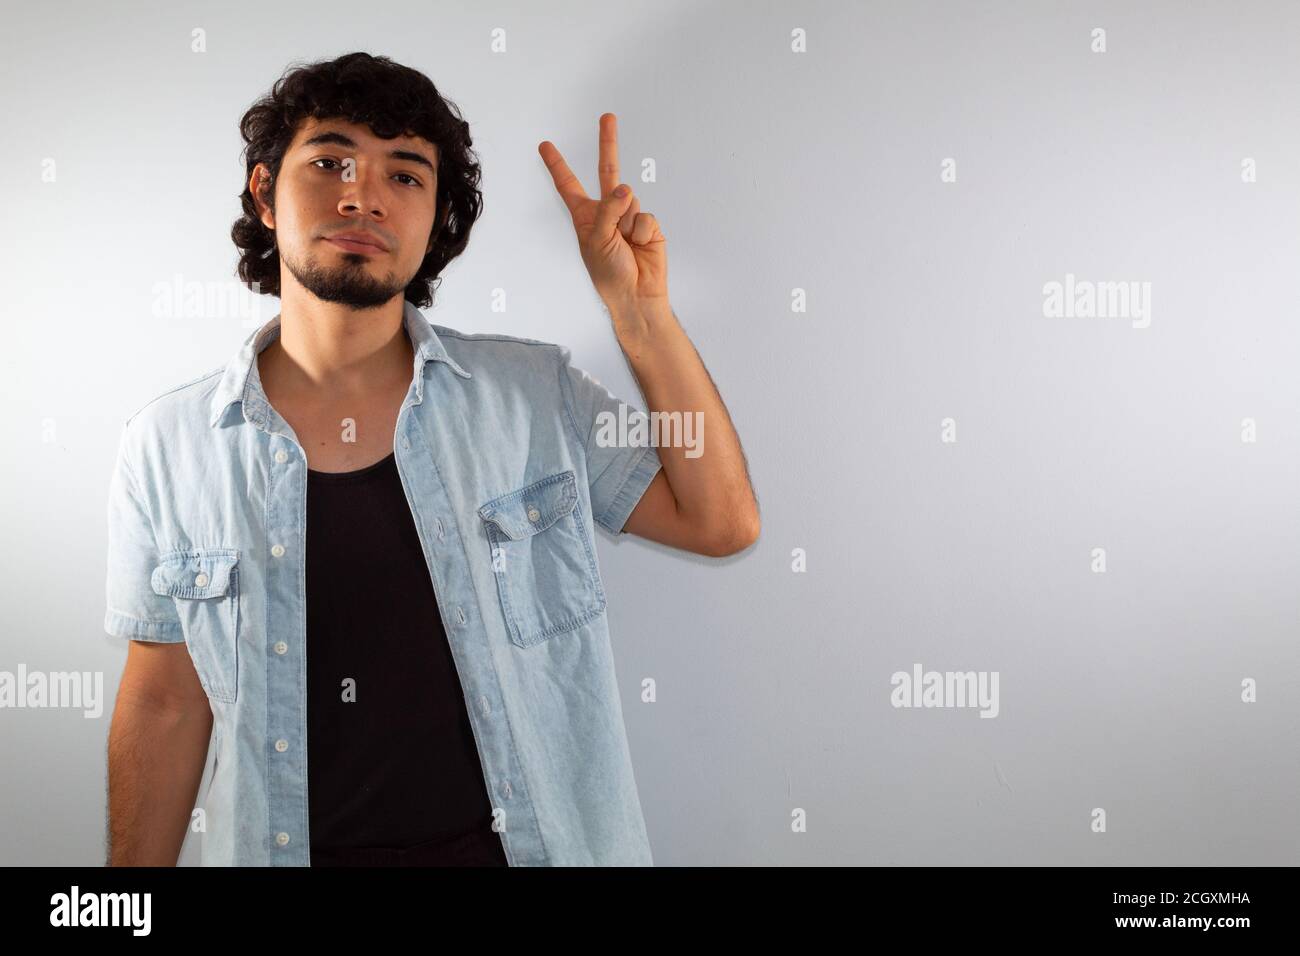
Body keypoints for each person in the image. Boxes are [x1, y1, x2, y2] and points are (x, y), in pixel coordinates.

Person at [103, 52, 759, 867]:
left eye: (406, 175)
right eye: (331, 160)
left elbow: (720, 518)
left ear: (436, 217)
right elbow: (165, 703)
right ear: (265, 194)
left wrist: (639, 312)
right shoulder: (167, 446)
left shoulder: (532, 394)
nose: (364, 194)